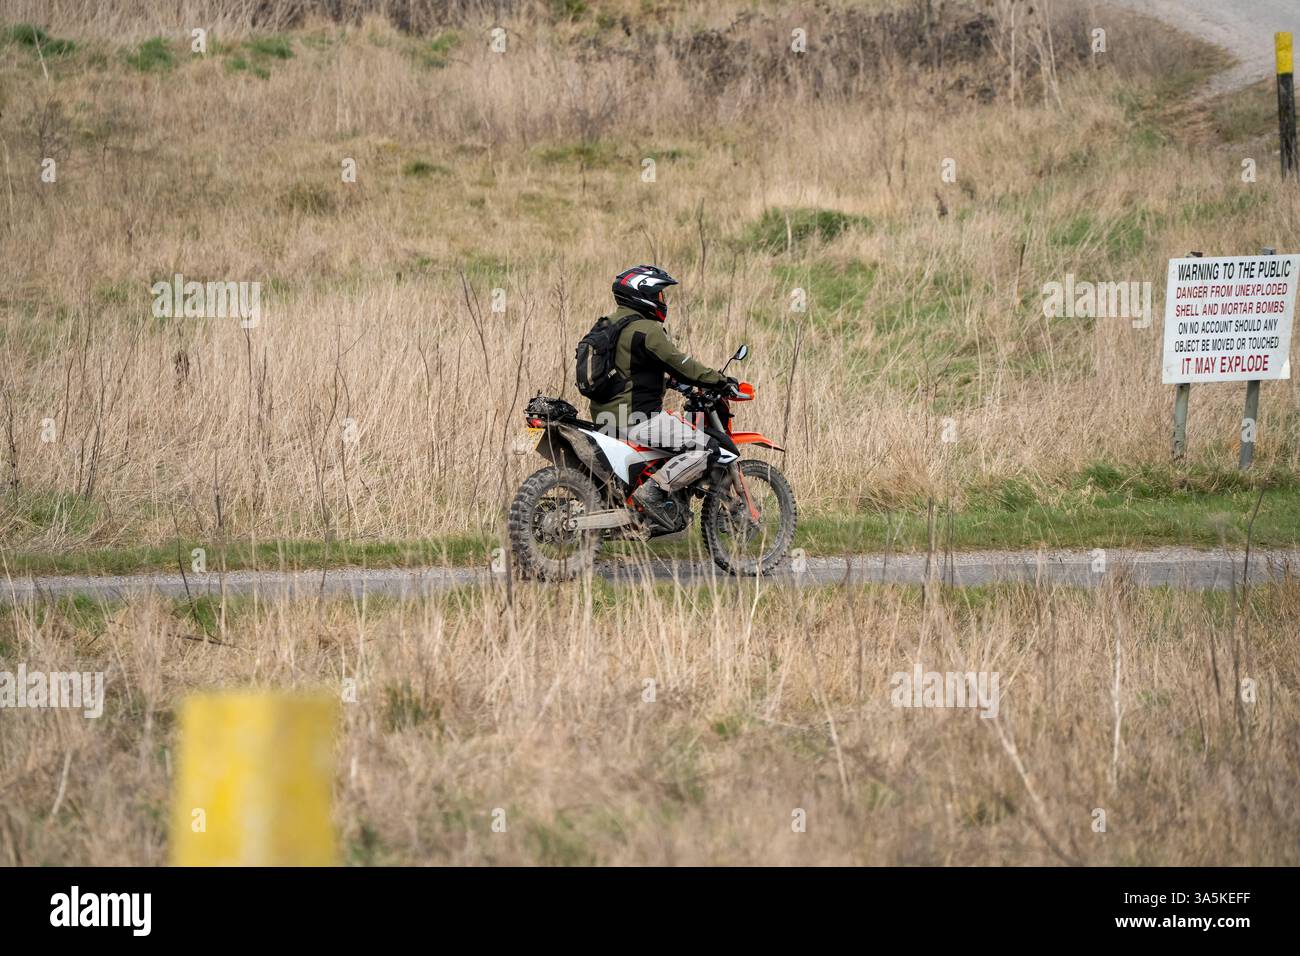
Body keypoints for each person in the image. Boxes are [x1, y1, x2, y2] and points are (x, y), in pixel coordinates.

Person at [587, 265, 737, 527]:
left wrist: (668, 383)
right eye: (659, 294)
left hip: (606, 418)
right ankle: (654, 493)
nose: (662, 300)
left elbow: (628, 371)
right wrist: (719, 380)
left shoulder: (607, 324)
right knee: (708, 448)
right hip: (638, 419)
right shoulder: (647, 329)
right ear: (643, 294)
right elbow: (681, 363)